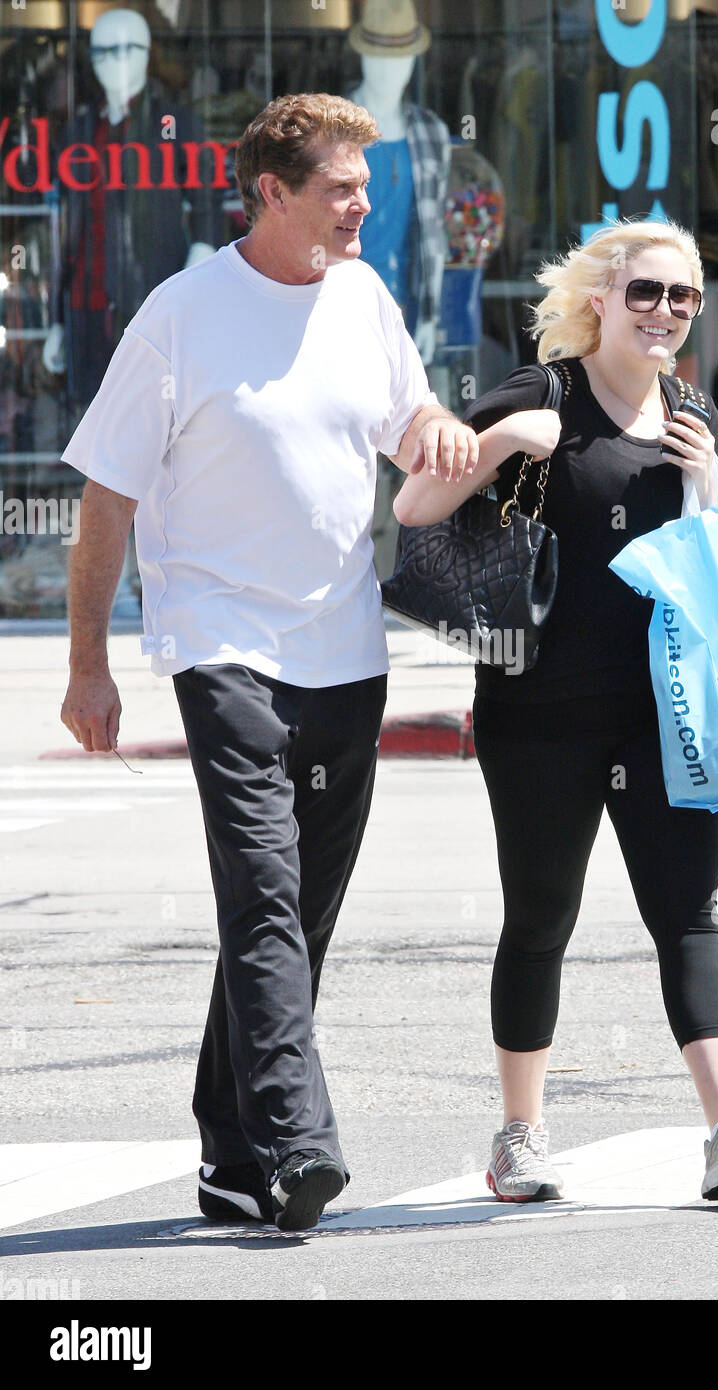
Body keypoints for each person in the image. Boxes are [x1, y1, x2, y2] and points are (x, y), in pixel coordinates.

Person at [58, 93, 480, 1232]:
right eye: (340, 188)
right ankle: (296, 1146)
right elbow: (107, 499)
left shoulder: (364, 297)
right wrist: (88, 664)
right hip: (222, 645)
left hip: (344, 648)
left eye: (364, 186)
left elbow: (407, 423)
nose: (361, 205)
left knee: (296, 915)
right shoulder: (182, 314)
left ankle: (228, 1152)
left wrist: (440, 426)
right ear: (272, 193)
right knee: (262, 896)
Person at [394, 218, 718, 1203]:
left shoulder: (690, 411)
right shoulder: (540, 393)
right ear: (601, 300)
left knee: (689, 913)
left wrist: (708, 475)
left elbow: (717, 560)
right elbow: (413, 508)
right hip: (536, 711)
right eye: (645, 292)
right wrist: (503, 441)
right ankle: (519, 1135)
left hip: (663, 715)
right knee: (541, 917)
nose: (664, 311)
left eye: (682, 296)